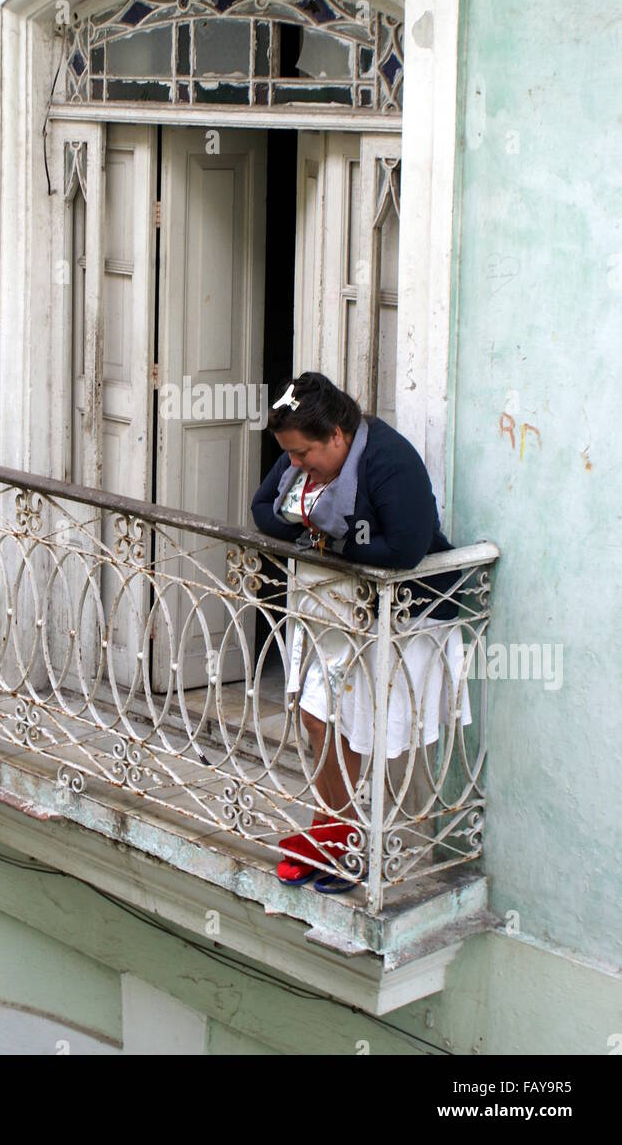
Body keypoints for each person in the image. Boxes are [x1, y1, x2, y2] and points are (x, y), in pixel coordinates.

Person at [251, 371, 469, 892]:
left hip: (406, 618)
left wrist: (333, 537)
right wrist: (319, 526)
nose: (294, 465)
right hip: (339, 611)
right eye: (290, 455)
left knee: (341, 722)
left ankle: (345, 839)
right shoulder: (305, 449)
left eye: (303, 454)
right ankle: (335, 830)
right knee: (315, 715)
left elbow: (404, 549)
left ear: (338, 436)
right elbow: (265, 511)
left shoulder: (390, 461)